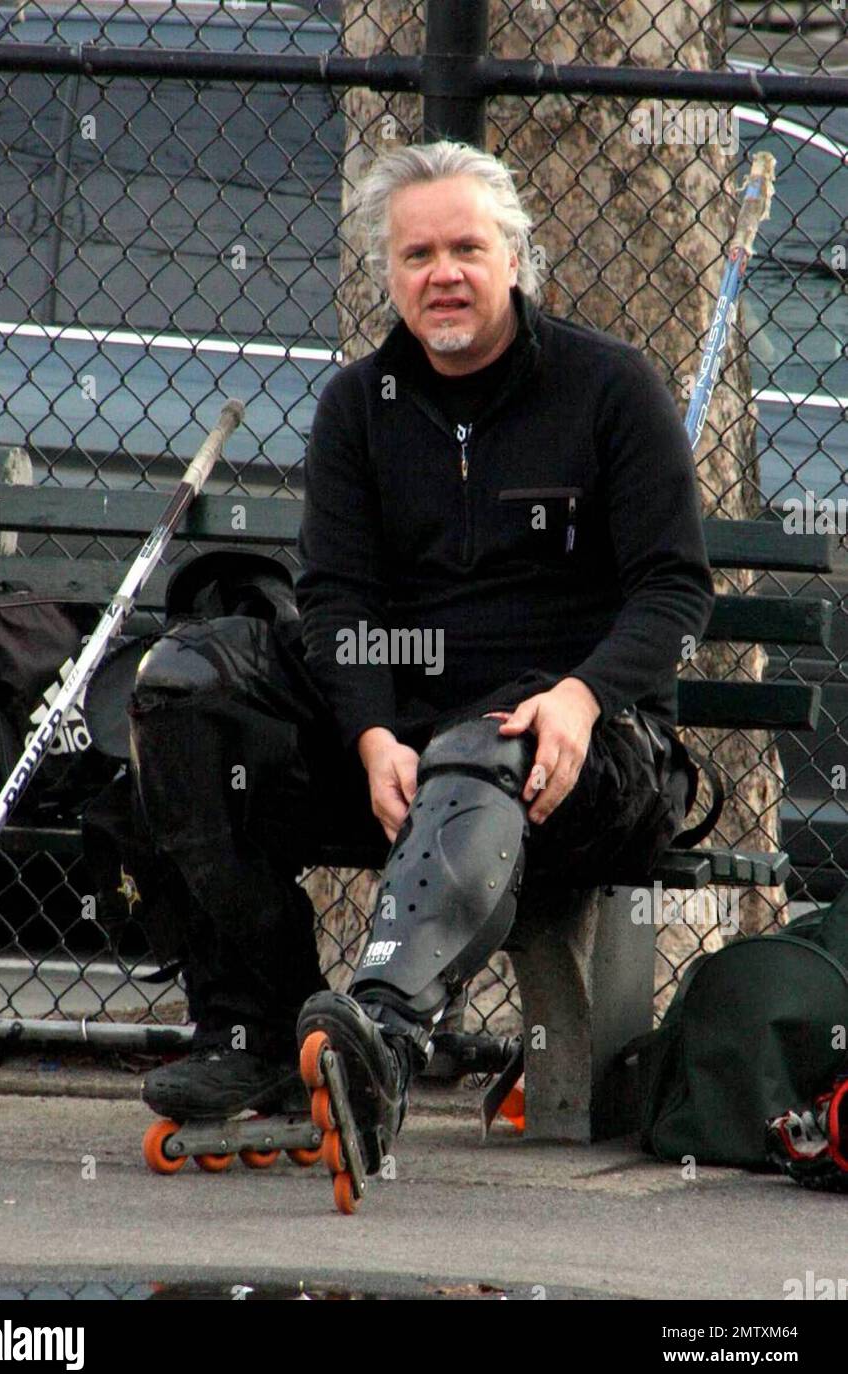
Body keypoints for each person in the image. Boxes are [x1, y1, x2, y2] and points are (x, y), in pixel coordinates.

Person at [129, 140, 714, 1180]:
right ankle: (259, 1034)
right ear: (386, 273)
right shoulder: (358, 406)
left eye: (465, 247)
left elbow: (676, 592)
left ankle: (380, 1048)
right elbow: (337, 600)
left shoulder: (613, 388)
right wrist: (365, 735)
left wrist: (582, 697)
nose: (442, 273)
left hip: (582, 756)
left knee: (482, 744)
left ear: (514, 257)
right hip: (401, 758)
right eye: (416, 254)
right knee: (184, 682)